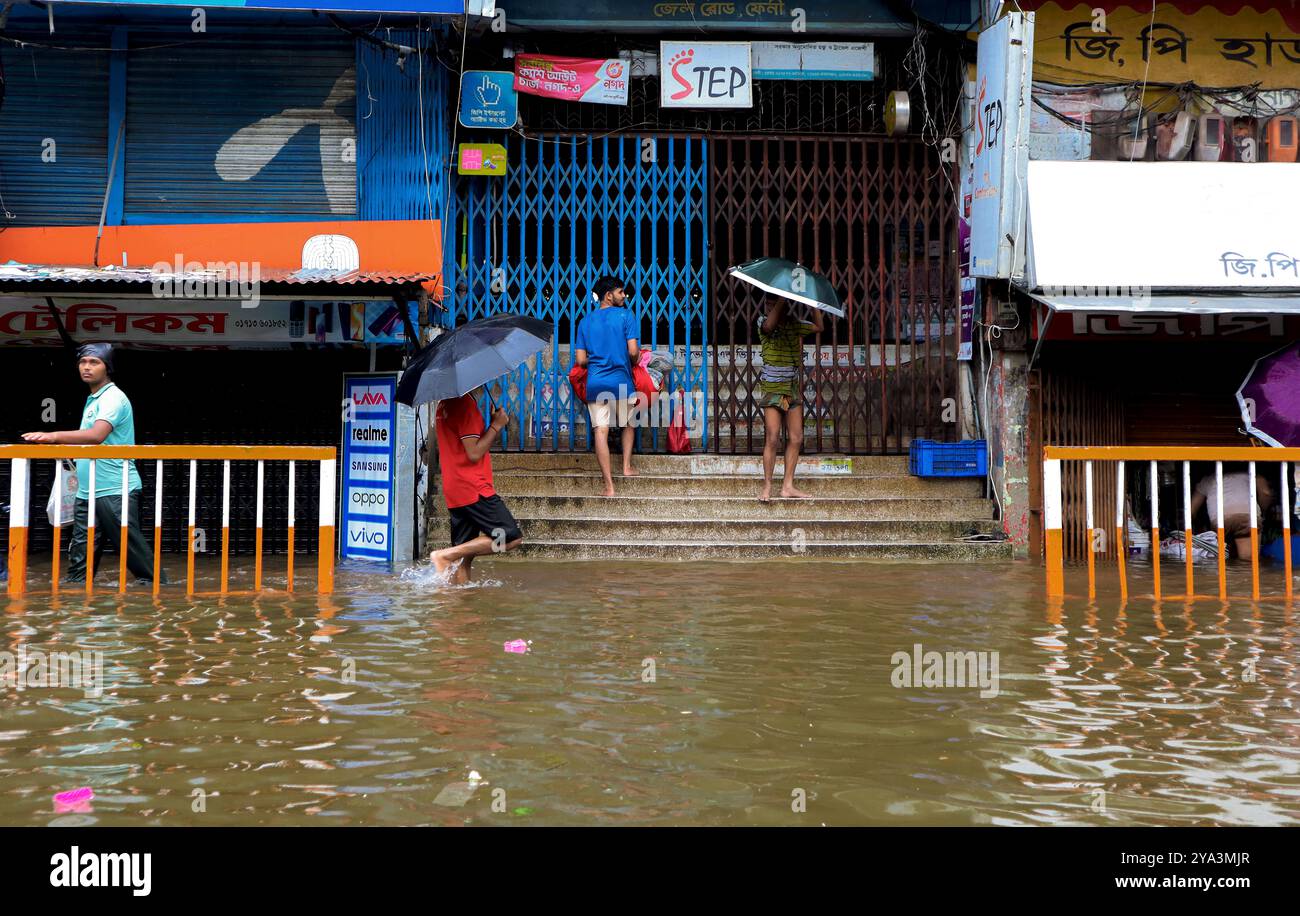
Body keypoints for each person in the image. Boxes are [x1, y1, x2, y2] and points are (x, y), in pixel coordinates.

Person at [21, 343, 161, 585]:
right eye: (83, 362)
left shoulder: (113, 398)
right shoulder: (94, 399)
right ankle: (73, 599)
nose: (86, 367)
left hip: (115, 488)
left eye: (94, 362)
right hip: (87, 490)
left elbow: (96, 435)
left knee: (134, 554)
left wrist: (52, 436)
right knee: (80, 556)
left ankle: (161, 595)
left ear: (108, 368)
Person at [429, 388, 523, 583]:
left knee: (462, 559)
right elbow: (473, 453)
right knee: (510, 536)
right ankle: (444, 555)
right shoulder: (465, 405)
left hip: (455, 488)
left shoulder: (445, 403)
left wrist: (491, 424)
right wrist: (496, 426)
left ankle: (461, 608)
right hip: (473, 488)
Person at [574, 275, 641, 497]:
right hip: (621, 380)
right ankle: (626, 467)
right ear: (608, 295)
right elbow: (633, 352)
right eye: (621, 292)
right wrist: (629, 359)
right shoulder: (625, 316)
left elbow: (581, 360)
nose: (624, 295)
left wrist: (597, 357)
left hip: (596, 382)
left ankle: (609, 487)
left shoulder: (584, 322)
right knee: (628, 423)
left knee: (600, 431)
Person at [757, 298, 823, 502]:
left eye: (773, 302)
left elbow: (819, 327)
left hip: (791, 389)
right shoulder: (763, 322)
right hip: (773, 389)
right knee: (773, 437)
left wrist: (812, 303)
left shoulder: (795, 325)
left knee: (796, 438)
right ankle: (767, 486)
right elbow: (769, 325)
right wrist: (782, 299)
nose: (769, 306)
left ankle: (787, 486)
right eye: (768, 302)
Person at [1189, 465, 1272, 560]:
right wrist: (1263, 511)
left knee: (1223, 560)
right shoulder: (1252, 474)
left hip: (1220, 521)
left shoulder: (1207, 480)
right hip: (1247, 518)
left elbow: (1191, 510)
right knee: (1248, 561)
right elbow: (1266, 493)